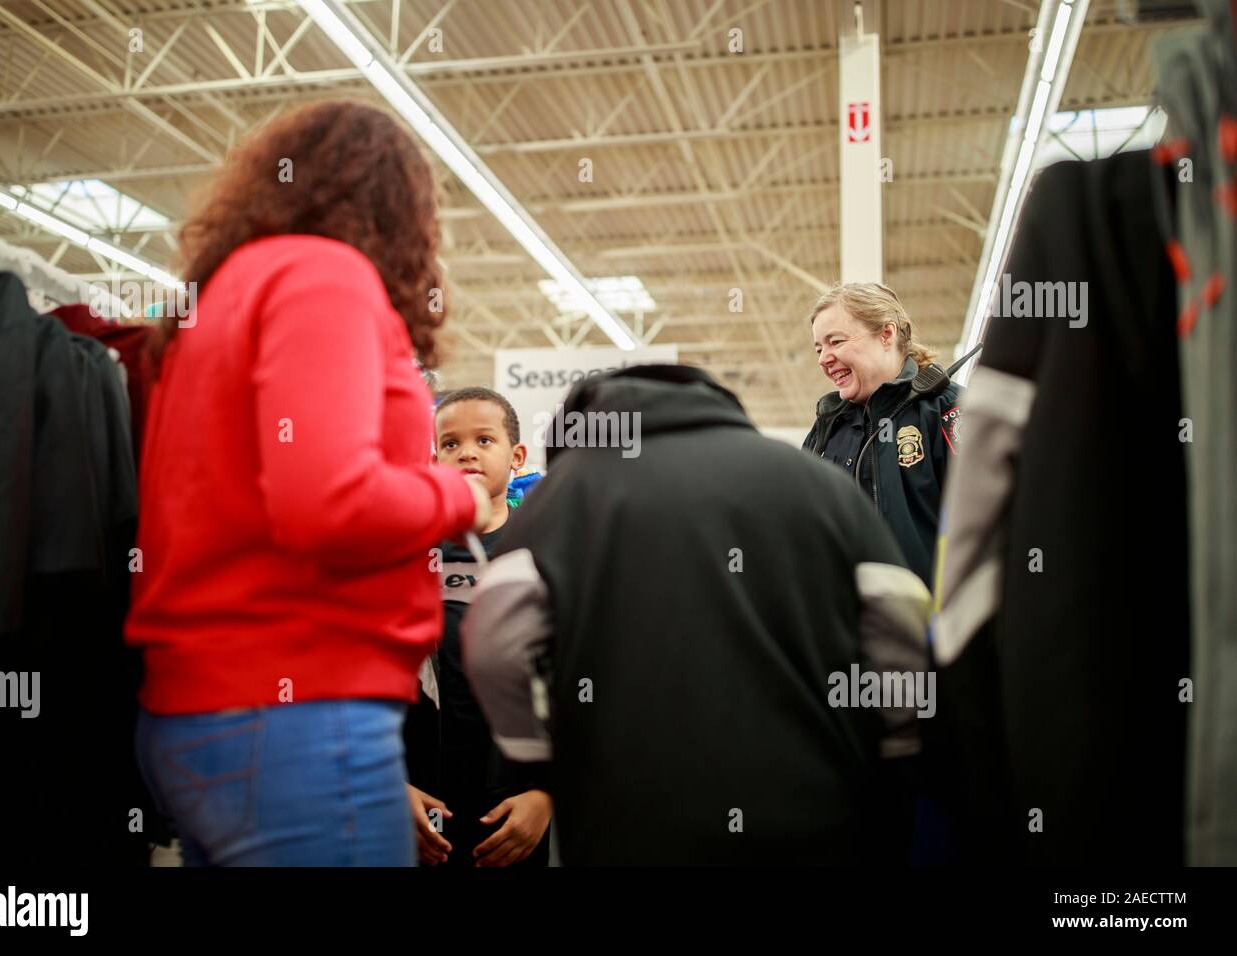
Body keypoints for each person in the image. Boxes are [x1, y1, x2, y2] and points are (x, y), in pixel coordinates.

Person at [126, 101, 491, 866]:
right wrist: (456, 495)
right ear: (397, 205)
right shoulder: (325, 277)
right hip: (297, 713)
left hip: (199, 713)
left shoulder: (220, 298)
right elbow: (328, 502)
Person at [461, 365, 932, 865]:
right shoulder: (817, 483)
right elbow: (900, 618)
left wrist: (537, 754)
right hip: (819, 816)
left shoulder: (559, 502)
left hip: (627, 823)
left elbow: (495, 641)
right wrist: (897, 749)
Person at [404, 387, 553, 868]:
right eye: (450, 444)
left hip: (516, 809)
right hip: (423, 807)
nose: (466, 452)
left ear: (517, 455)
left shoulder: (547, 554)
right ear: (433, 460)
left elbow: (580, 682)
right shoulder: (405, 558)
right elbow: (368, 678)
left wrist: (547, 794)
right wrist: (391, 785)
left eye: (484, 440)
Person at [803, 282, 963, 588]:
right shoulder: (825, 429)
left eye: (835, 342)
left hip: (932, 625)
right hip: (842, 629)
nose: (824, 358)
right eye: (819, 348)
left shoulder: (948, 411)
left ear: (886, 334)